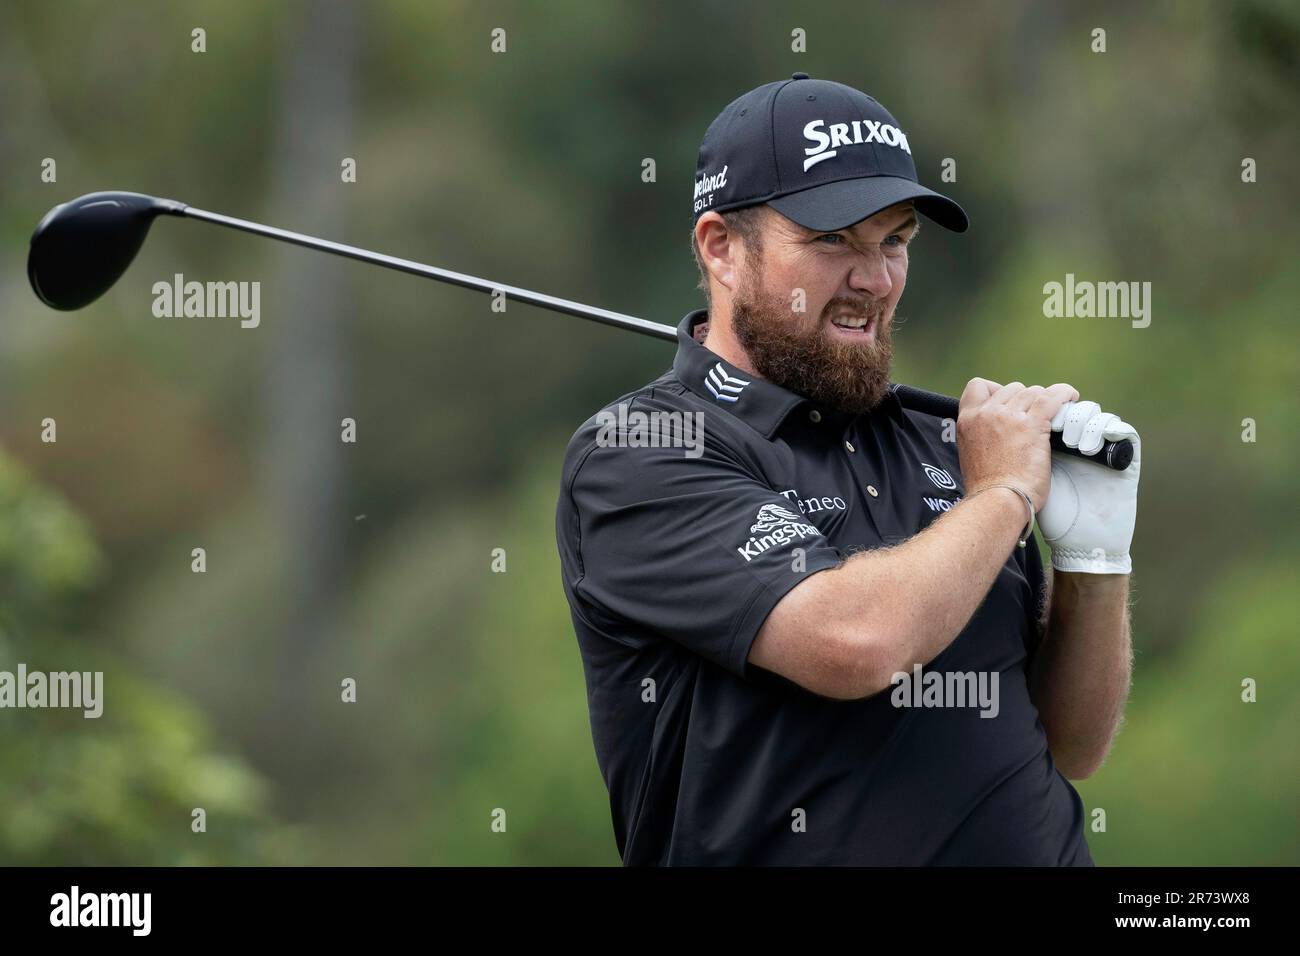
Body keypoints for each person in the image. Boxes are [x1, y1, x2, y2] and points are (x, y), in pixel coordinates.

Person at [555, 74, 1140, 865]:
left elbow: (1070, 745)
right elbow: (855, 641)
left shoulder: (949, 449)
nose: (875, 278)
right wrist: (1005, 492)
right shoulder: (642, 447)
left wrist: (1094, 562)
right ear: (722, 248)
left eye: (893, 240)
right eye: (833, 240)